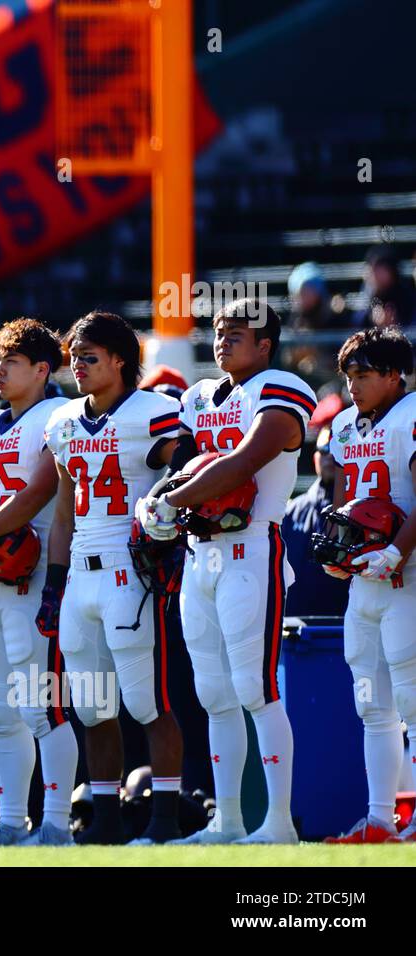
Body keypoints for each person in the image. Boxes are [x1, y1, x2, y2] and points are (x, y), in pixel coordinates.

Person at [139, 299, 315, 845]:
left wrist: (172, 500)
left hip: (251, 551)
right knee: (214, 693)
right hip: (200, 556)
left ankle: (279, 823)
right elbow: (178, 462)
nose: (223, 340)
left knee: (256, 689)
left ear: (265, 344)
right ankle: (230, 821)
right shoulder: (196, 398)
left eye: (236, 332)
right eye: (218, 331)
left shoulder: (279, 388)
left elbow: (244, 461)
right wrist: (155, 501)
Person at [41, 311, 184, 845]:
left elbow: (188, 465)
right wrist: (54, 582)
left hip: (130, 570)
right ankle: (105, 821)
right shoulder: (63, 424)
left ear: (120, 360)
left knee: (147, 701)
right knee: (92, 705)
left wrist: (163, 512)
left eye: (89, 356)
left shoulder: (153, 412)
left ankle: (164, 821)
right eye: (74, 356)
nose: (77, 365)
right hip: (81, 571)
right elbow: (62, 511)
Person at [0, 318, 79, 846]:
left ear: (42, 370)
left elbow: (36, 494)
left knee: (42, 706)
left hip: (39, 573)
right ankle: (10, 821)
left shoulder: (58, 417)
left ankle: (54, 824)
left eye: (13, 362)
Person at [316, 328, 416, 843]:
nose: (353, 385)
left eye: (364, 375)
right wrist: (342, 552)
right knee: (372, 704)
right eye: (348, 375)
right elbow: (342, 503)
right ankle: (380, 820)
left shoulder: (411, 415)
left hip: (408, 575)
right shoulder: (346, 427)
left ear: (395, 376)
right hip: (366, 582)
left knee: (414, 699)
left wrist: (397, 549)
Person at [282, 425, 350, 618]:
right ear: (315, 457)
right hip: (296, 630)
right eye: (324, 450)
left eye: (337, 450)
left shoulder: (361, 510)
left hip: (347, 625)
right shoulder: (290, 511)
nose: (329, 456)